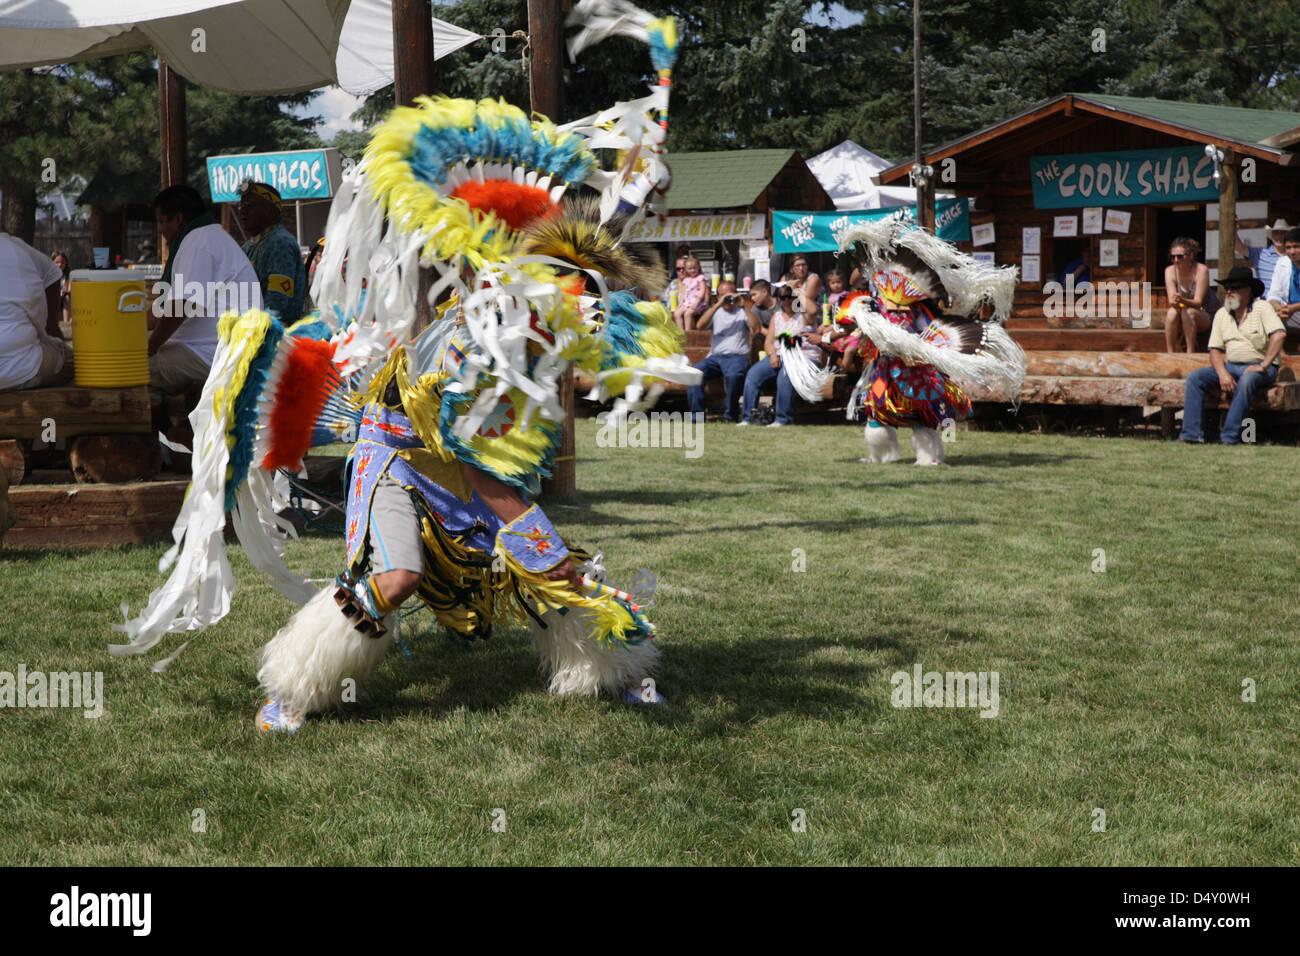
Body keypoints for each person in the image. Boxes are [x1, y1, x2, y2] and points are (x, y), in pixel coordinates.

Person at [113, 6, 693, 732]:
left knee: (540, 559)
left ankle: (614, 664)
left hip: (469, 456)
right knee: (396, 577)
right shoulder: (421, 286)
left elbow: (592, 240)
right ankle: (294, 689)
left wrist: (641, 177)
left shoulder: (527, 302)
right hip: (394, 452)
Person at [841, 219, 1024, 465]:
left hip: (914, 371)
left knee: (919, 413)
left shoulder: (919, 312)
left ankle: (929, 457)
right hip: (885, 372)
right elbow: (857, 327)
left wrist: (920, 348)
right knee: (878, 410)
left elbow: (929, 333)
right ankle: (882, 455)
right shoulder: (877, 310)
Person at [148, 184, 262, 411]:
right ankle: (170, 435)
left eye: (162, 221)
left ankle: (155, 441)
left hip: (216, 354)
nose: (160, 229)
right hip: (213, 350)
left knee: (131, 369)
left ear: (178, 219)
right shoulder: (206, 237)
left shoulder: (199, 241)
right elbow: (164, 310)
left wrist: (149, 347)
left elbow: (182, 306)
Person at [1179, 266, 1285, 445]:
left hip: (1261, 368)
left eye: (1234, 288)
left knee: (1247, 380)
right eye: (1227, 288)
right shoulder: (1222, 313)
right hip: (1230, 366)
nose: (1229, 292)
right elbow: (1214, 350)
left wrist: (1264, 365)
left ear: (1248, 290)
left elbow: (1279, 334)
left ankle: (1229, 437)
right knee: (1195, 377)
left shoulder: (1261, 308)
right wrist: (1222, 373)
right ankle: (1191, 435)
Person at [738, 283, 820, 427]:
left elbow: (813, 309)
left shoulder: (804, 315)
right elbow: (769, 342)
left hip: (803, 357)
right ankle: (747, 418)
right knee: (753, 374)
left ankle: (782, 419)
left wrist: (797, 291)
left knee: (786, 374)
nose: (786, 300)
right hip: (780, 355)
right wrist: (772, 355)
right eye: (782, 297)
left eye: (790, 297)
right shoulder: (776, 317)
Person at [0, 232, 72, 390]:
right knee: (70, 361)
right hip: (18, 367)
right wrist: (50, 328)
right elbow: (53, 274)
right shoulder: (13, 246)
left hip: (15, 361)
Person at [236, 180, 307, 325]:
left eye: (249, 206)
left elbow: (276, 305)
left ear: (271, 210)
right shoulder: (247, 246)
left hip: (274, 337)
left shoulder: (280, 243)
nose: (242, 210)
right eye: (241, 205)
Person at [687, 280, 758, 422]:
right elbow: (700, 326)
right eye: (722, 295)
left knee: (734, 375)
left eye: (729, 294)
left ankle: (731, 415)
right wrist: (718, 305)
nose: (727, 298)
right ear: (718, 296)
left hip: (737, 357)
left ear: (736, 294)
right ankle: (697, 417)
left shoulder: (742, 312)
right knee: (694, 373)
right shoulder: (715, 311)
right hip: (715, 357)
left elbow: (756, 329)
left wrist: (745, 307)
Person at [1163, 237, 1217, 354]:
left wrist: (1182, 300)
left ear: (1191, 256)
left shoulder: (1201, 270)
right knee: (1172, 312)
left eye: (1180, 256)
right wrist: (1176, 301)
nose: (1176, 260)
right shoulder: (1169, 271)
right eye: (1173, 257)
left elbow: (1198, 302)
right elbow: (1172, 301)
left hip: (1206, 314)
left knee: (1188, 312)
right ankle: (1170, 353)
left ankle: (1190, 353)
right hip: (1183, 314)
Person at [1237, 218, 1289, 294]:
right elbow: (1240, 248)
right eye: (1276, 233)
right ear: (1272, 236)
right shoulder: (1261, 254)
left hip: (1289, 304)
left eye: (1282, 233)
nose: (1279, 236)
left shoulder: (1294, 256)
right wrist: (1233, 230)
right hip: (1265, 304)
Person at [1265, 227, 1300, 332]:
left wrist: (1293, 308)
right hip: (1289, 313)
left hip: (1294, 310)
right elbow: (1273, 294)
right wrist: (1278, 307)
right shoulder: (1282, 263)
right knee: (1261, 309)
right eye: (1288, 248)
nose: (1292, 251)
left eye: (1296, 247)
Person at [672, 256, 708, 330]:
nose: (692, 270)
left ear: (699, 267)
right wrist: (680, 303)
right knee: (677, 313)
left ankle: (688, 333)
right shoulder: (686, 280)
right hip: (687, 303)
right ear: (686, 269)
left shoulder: (700, 278)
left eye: (694, 268)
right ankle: (681, 333)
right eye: (690, 269)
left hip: (697, 303)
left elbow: (702, 291)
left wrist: (696, 302)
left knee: (688, 314)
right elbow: (683, 293)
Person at [50, 250, 71, 329]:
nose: (60, 265)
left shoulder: (68, 275)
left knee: (67, 298)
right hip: (54, 297)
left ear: (66, 263)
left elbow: (70, 289)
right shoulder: (50, 276)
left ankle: (66, 323)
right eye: (57, 262)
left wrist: (64, 291)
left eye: (62, 262)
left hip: (64, 297)